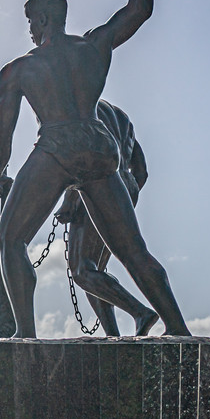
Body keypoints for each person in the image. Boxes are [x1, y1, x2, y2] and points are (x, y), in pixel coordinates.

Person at [0, 0, 188, 338]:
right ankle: (178, 328)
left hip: (57, 145)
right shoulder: (94, 46)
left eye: (29, 21)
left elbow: (1, 137)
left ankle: (25, 333)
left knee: (11, 240)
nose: (29, 29)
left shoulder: (20, 69)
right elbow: (140, 9)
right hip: (100, 149)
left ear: (41, 19)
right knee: (133, 251)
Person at [55, 99, 159, 337]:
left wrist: (68, 203)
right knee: (95, 268)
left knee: (82, 270)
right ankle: (112, 334)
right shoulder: (123, 121)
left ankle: (139, 312)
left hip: (94, 187)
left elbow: (79, 159)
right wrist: (127, 197)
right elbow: (141, 170)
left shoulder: (83, 110)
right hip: (126, 186)